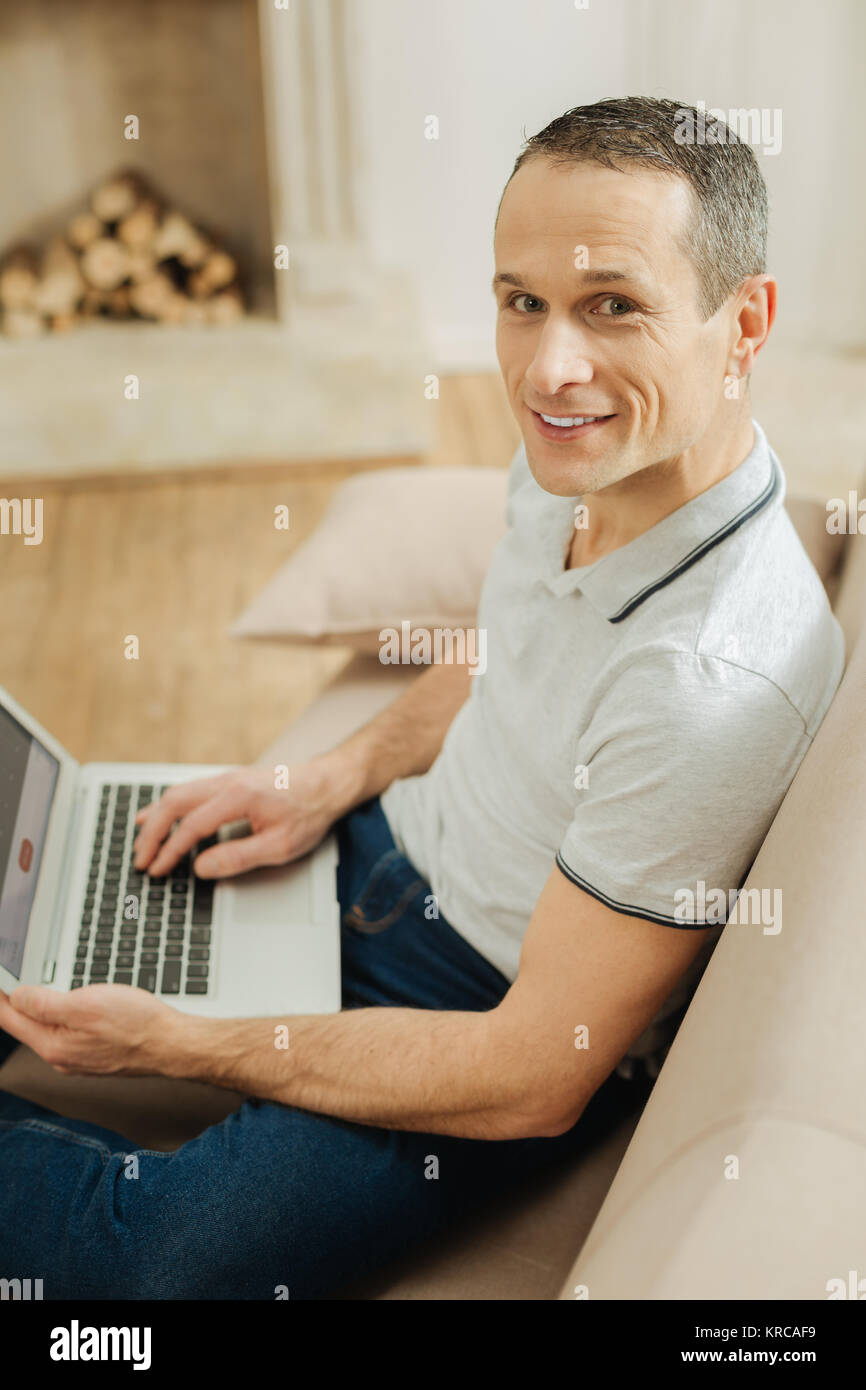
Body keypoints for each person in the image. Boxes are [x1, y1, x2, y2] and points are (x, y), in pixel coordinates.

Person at [0, 96, 844, 1299]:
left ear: (742, 322)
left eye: (613, 304)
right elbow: (510, 644)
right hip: (371, 854)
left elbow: (533, 1070)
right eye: (521, 302)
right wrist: (324, 780)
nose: (549, 369)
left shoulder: (709, 680)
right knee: (34, 904)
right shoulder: (579, 454)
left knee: (147, 1271)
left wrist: (177, 1045)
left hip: (481, 1015)